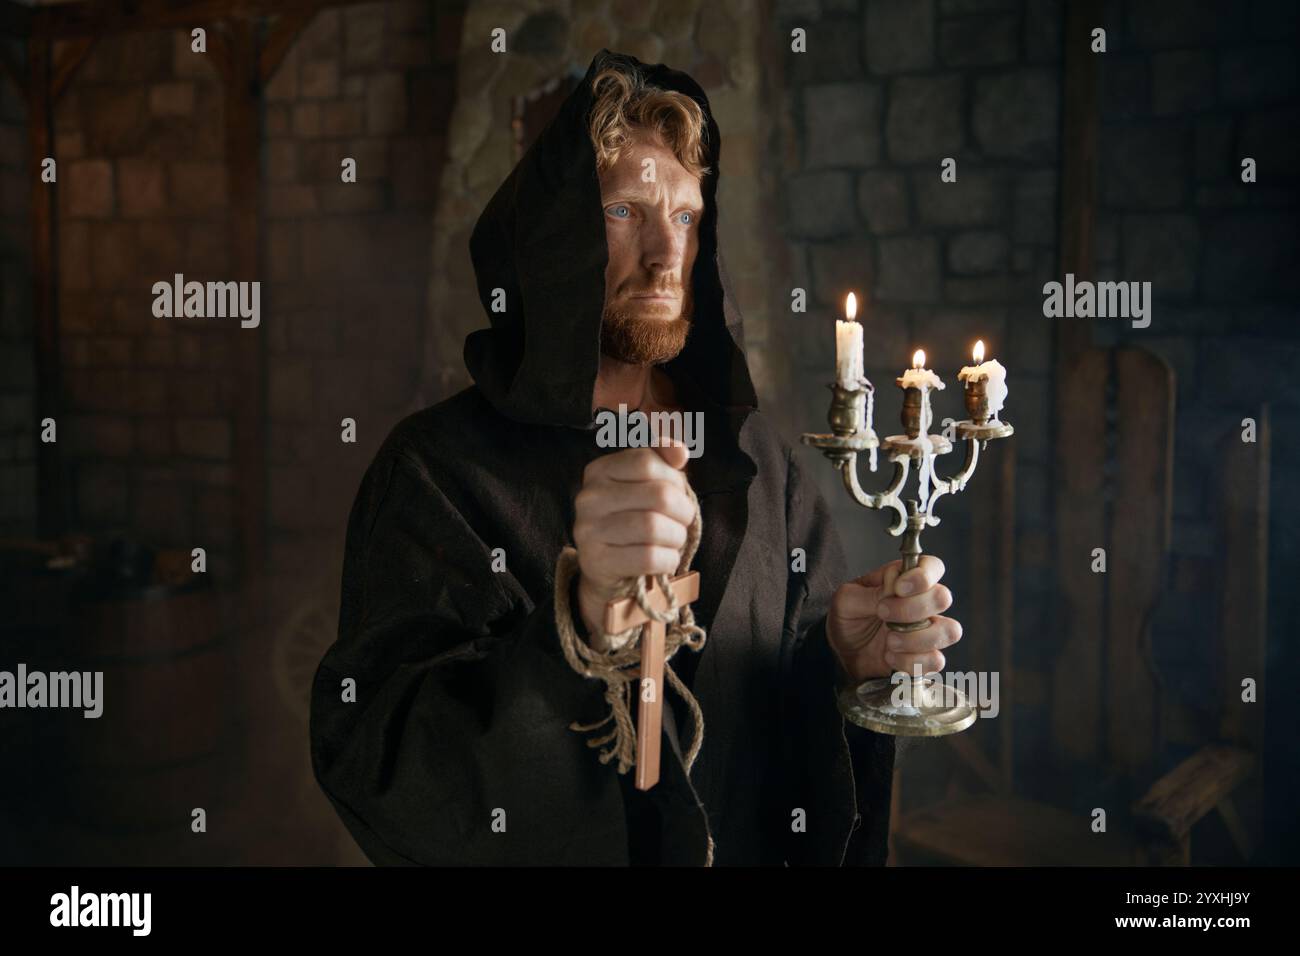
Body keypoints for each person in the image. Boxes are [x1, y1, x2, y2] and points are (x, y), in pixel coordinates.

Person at [310, 50, 962, 866]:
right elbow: (382, 762)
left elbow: (775, 710)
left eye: (685, 216)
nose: (665, 255)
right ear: (559, 241)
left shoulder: (757, 458)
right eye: (626, 212)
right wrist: (576, 629)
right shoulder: (438, 470)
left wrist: (839, 660)